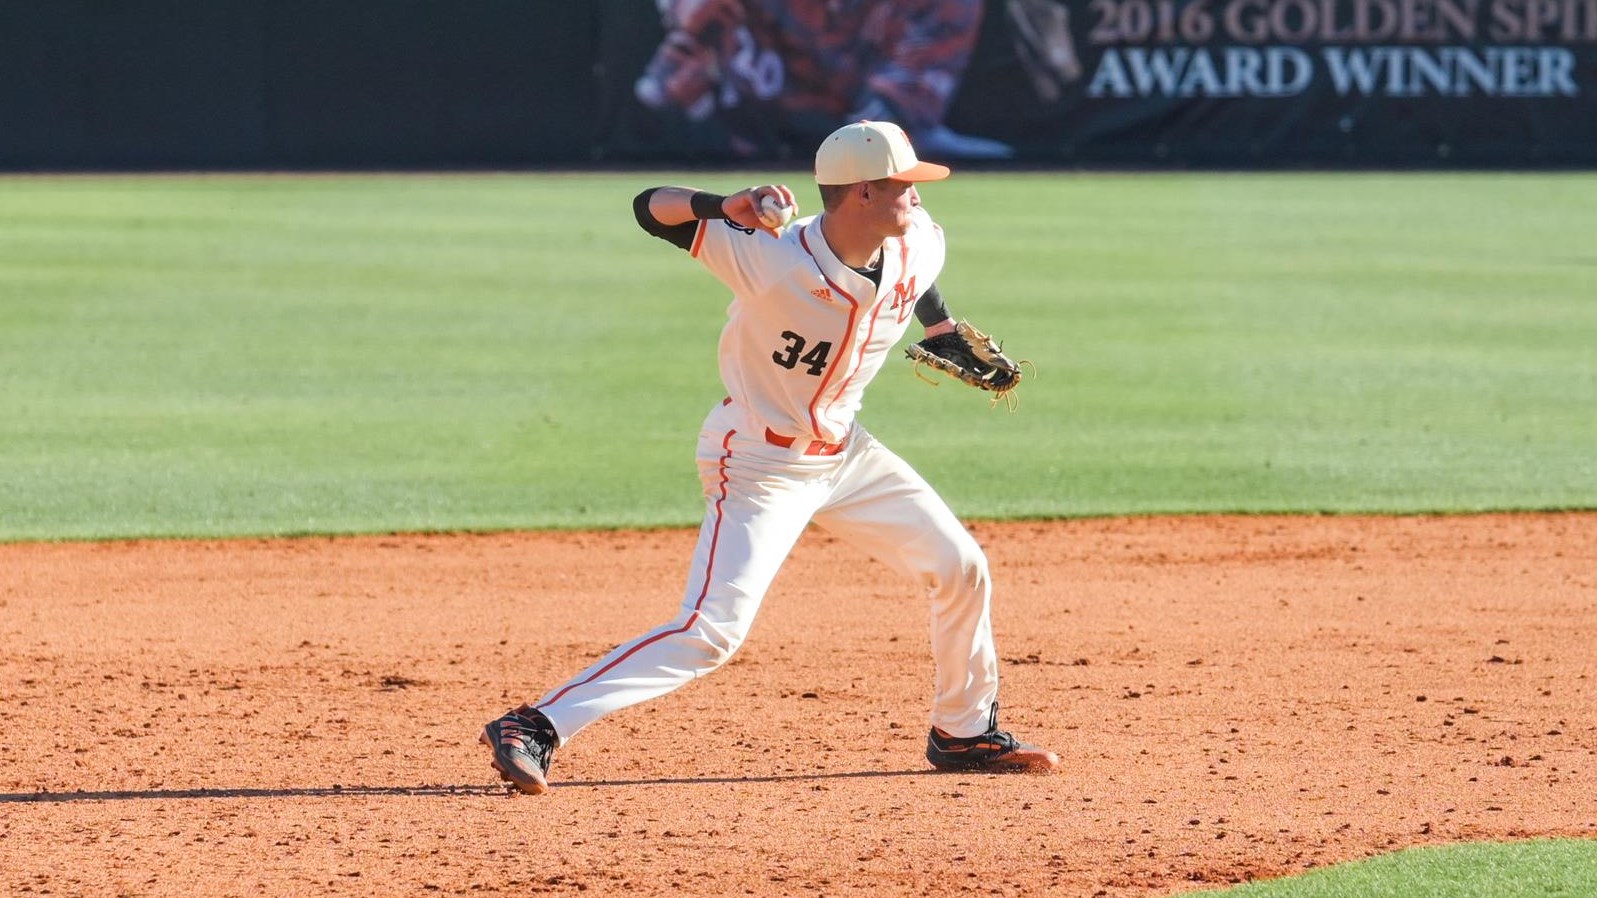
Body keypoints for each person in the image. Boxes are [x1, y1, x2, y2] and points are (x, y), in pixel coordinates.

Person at [480, 120, 1056, 795]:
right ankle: (535, 725)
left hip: (848, 454)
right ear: (863, 192)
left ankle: (962, 732)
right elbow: (648, 208)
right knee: (712, 631)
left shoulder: (918, 237)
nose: (919, 197)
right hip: (757, 460)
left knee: (959, 567)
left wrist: (939, 327)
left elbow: (919, 276)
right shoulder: (770, 252)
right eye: (905, 186)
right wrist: (718, 205)